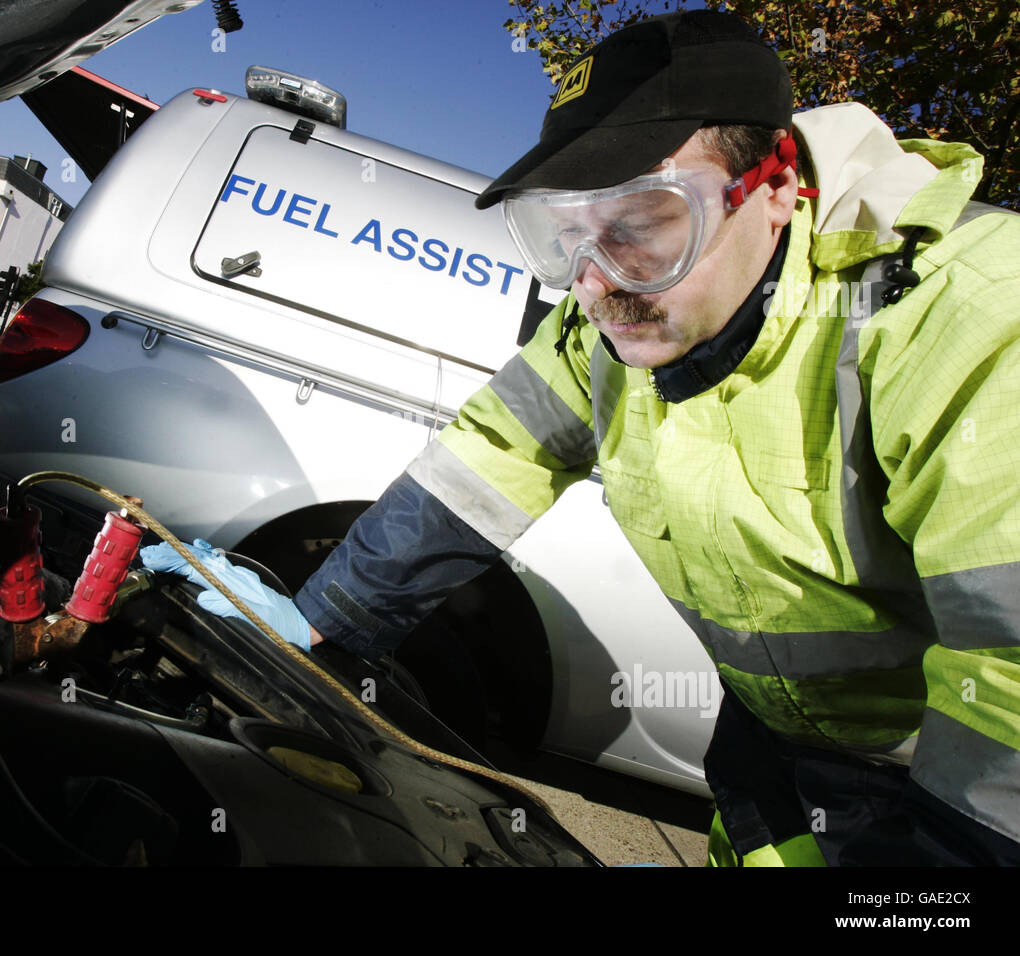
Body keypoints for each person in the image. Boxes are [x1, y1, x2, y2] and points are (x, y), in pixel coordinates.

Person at [145, 10, 1020, 865]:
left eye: (641, 229)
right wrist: (323, 622)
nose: (596, 286)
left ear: (780, 187)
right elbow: (490, 461)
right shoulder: (600, 333)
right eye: (564, 236)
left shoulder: (966, 317)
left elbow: (1009, 670)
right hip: (766, 755)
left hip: (938, 793)